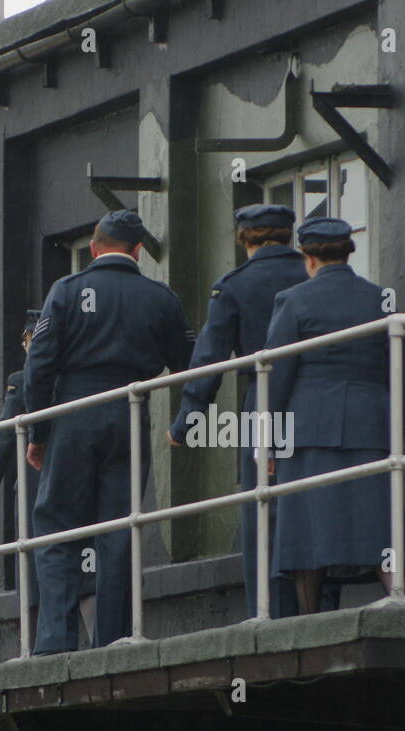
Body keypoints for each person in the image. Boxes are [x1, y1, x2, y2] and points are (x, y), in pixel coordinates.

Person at [25, 209, 193, 653]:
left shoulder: (66, 290)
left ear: (95, 247)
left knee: (58, 524)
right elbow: (186, 364)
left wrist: (38, 431)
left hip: (74, 413)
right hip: (131, 413)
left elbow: (38, 368)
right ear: (138, 251)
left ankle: (55, 640)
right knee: (119, 528)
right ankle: (115, 637)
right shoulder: (161, 298)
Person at [167, 204, 305, 620]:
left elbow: (210, 360)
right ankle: (319, 607)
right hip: (318, 404)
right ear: (289, 236)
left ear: (245, 240)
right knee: (315, 501)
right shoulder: (311, 275)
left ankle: (269, 611)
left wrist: (186, 424)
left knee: (262, 508)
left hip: (263, 405)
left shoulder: (233, 286)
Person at [266, 217, 400, 613]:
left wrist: (268, 441)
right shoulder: (381, 298)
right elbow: (398, 369)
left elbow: (277, 376)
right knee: (376, 516)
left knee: (307, 525)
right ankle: (397, 595)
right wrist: (396, 428)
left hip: (309, 425)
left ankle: (310, 618)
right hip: (370, 422)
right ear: (348, 252)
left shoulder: (292, 300)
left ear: (308, 258)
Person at [0, 314, 96, 648]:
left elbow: (2, 443)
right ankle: (100, 644)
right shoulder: (81, 379)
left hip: (38, 489)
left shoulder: (23, 380)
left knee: (39, 569)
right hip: (84, 483)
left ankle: (43, 649)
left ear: (29, 342)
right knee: (86, 565)